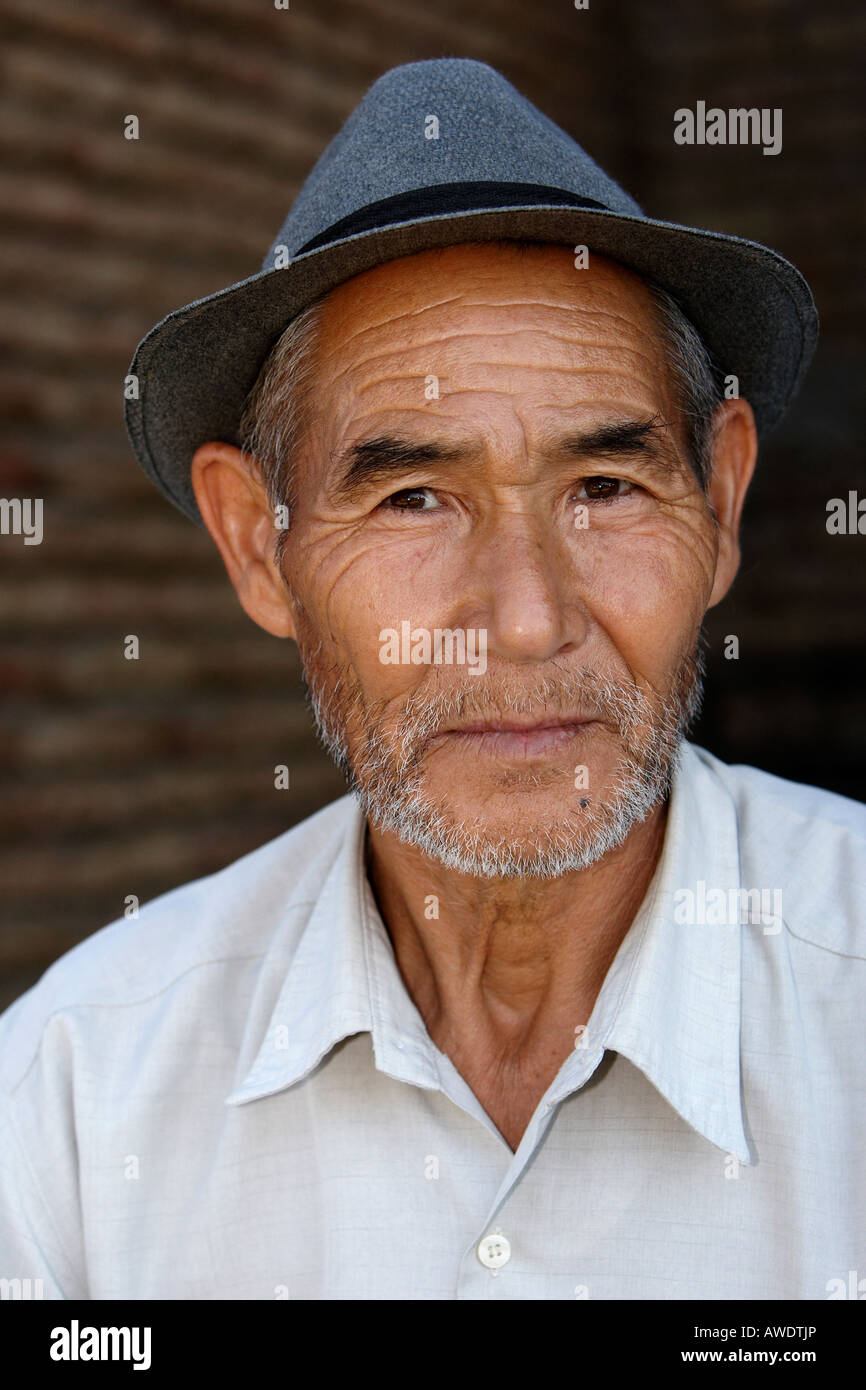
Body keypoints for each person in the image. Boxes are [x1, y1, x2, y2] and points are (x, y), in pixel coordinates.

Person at [1, 59, 862, 1302]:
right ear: (258, 546)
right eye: (411, 497)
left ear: (719, 505)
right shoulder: (78, 1089)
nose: (523, 621)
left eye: (604, 488)